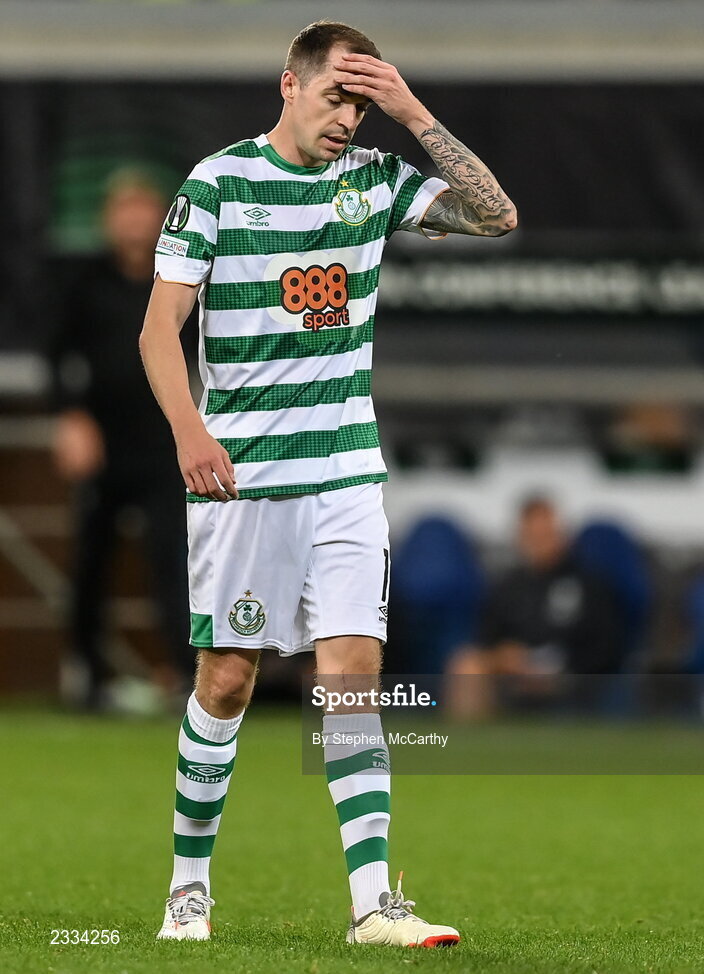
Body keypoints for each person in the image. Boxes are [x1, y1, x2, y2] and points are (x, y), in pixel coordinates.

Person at [139, 20, 516, 948]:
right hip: (243, 484)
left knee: (351, 682)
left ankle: (373, 905)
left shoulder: (376, 182)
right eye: (334, 95)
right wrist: (190, 428)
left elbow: (498, 216)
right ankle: (189, 888)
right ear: (289, 86)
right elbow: (158, 330)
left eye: (360, 99)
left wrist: (410, 106)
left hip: (345, 474)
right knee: (227, 682)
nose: (347, 116)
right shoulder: (218, 184)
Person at [51, 170, 195, 709]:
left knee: (174, 560)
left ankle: (189, 678)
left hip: (165, 442)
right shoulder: (84, 282)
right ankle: (85, 676)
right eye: (124, 211)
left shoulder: (181, 279)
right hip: (105, 443)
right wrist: (70, 417)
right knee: (91, 560)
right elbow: (56, 356)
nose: (134, 222)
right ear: (108, 220)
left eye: (143, 210)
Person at [445, 496, 627, 719]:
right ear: (521, 538)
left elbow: (606, 648)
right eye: (532, 536)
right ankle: (468, 747)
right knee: (467, 664)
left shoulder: (590, 583)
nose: (540, 544)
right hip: (513, 678)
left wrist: (557, 672)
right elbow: (485, 640)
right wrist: (504, 658)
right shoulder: (508, 585)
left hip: (568, 677)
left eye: (546, 535)